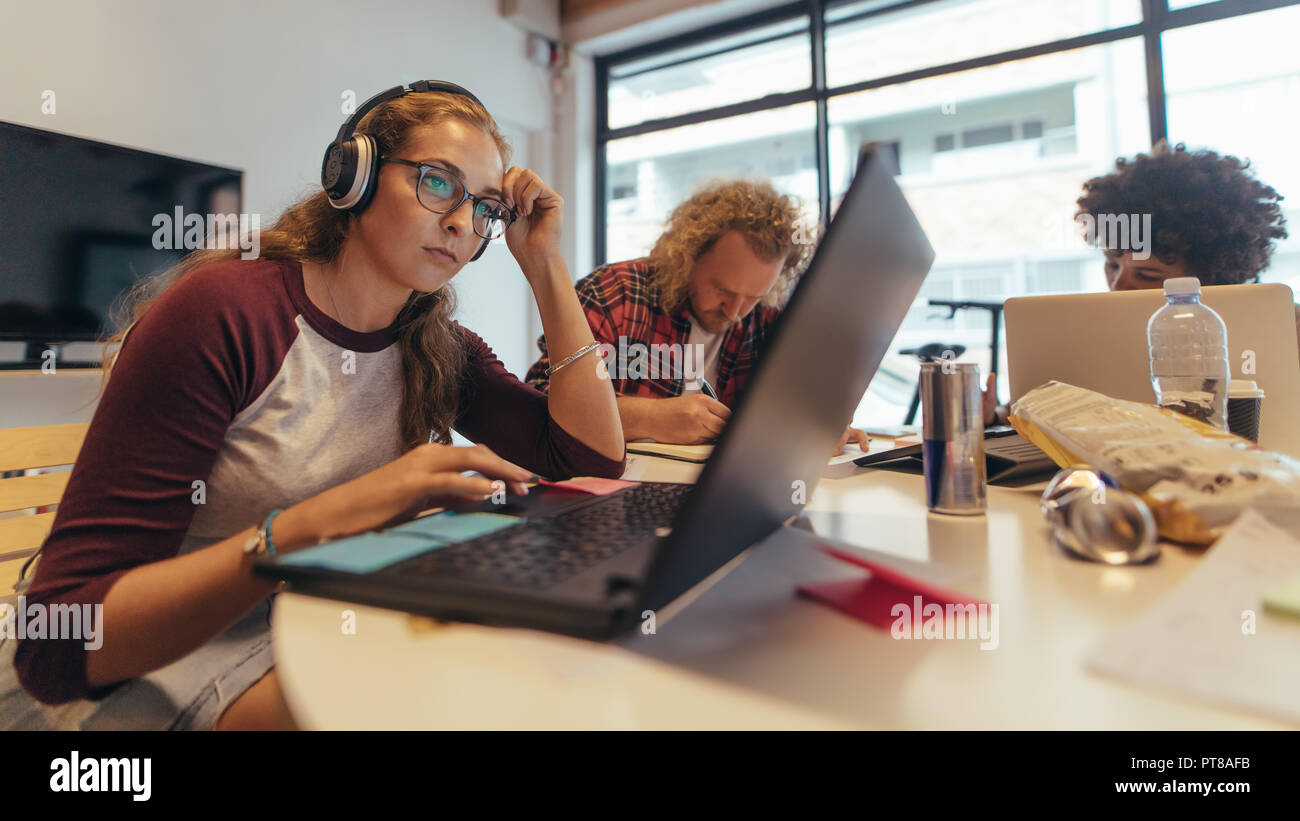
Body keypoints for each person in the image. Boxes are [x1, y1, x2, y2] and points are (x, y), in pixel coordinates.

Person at [0, 82, 624, 730]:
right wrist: (315, 524)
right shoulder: (224, 314)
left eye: (486, 207)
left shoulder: (437, 344)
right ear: (353, 176)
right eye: (439, 183)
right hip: (147, 666)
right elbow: (56, 646)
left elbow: (589, 460)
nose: (465, 223)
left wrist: (546, 265)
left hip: (317, 617)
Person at [525, 179, 870, 454]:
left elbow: (802, 399)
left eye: (753, 296)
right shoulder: (615, 295)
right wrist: (649, 417)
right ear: (686, 258)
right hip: (616, 499)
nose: (735, 312)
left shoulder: (767, 319)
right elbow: (536, 401)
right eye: (722, 290)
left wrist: (819, 424)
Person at [983, 142, 1290, 425]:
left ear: (1213, 277)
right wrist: (993, 416)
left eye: (1147, 276)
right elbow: (1038, 412)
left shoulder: (1288, 330)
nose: (1119, 285)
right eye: (1111, 265)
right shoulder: (1090, 329)